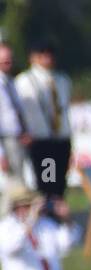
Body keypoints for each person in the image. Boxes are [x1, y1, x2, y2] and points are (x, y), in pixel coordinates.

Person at [0, 183, 80, 270]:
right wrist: (30, 222)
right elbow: (12, 247)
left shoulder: (46, 224)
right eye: (26, 205)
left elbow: (67, 243)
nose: (30, 209)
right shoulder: (6, 227)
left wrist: (66, 219)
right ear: (15, 207)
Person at [14, 42, 71, 199]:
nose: (47, 58)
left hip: (61, 137)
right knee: (48, 181)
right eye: (42, 54)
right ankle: (49, 209)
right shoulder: (26, 81)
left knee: (60, 181)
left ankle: (57, 208)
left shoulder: (62, 79)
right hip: (43, 139)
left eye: (49, 54)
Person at [0, 44, 30, 188]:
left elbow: (17, 110)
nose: (8, 63)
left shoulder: (10, 82)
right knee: (14, 186)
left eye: (9, 59)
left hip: (18, 137)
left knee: (20, 181)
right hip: (6, 139)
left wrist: (25, 130)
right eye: (4, 60)